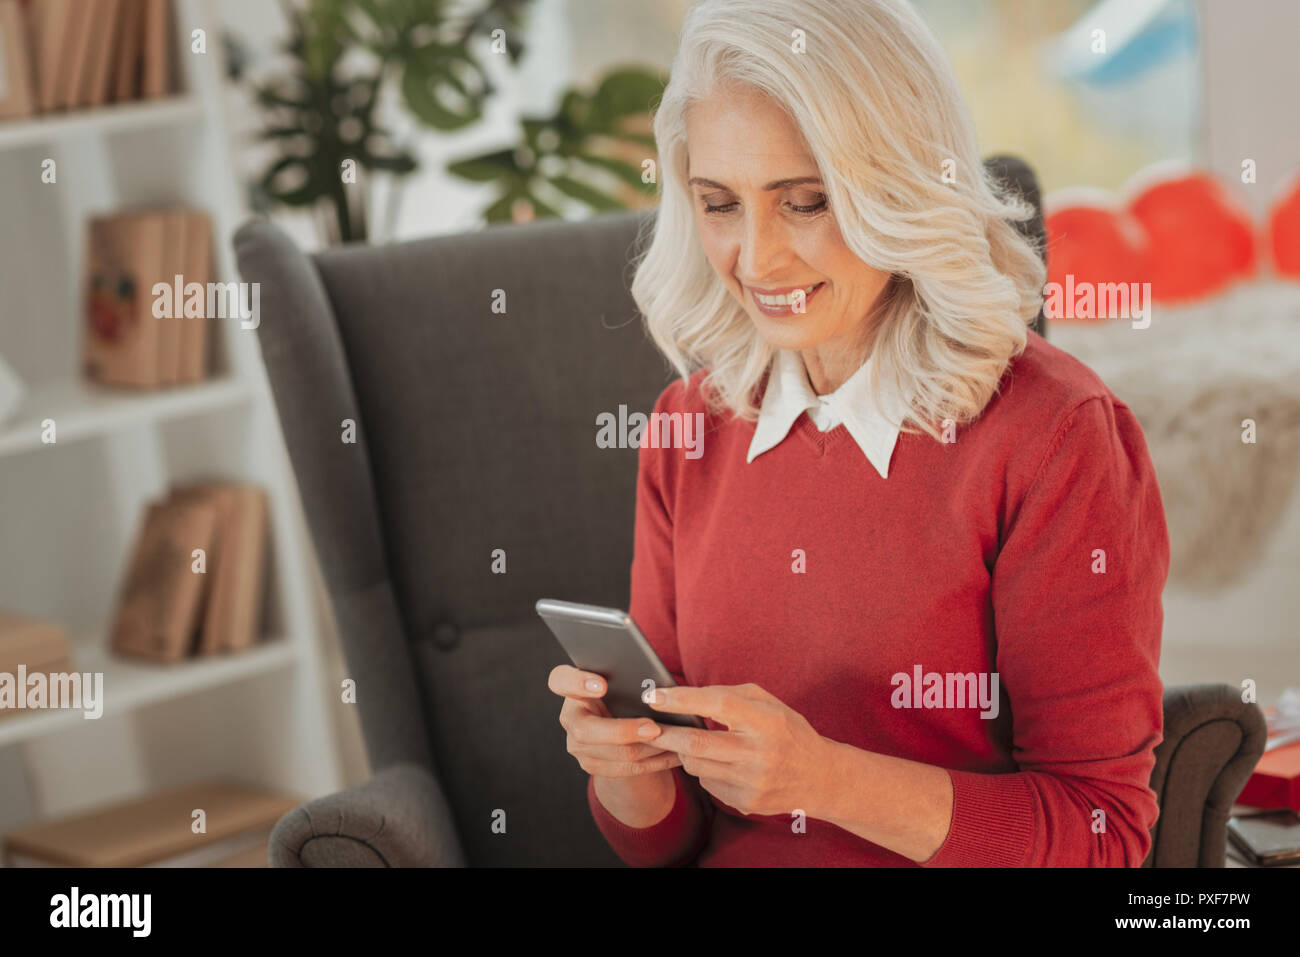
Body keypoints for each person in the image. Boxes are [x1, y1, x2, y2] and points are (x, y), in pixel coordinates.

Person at [548, 0, 1170, 867]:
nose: (757, 261)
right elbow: (672, 842)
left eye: (805, 203)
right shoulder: (688, 427)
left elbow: (1102, 833)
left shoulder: (1054, 435)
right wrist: (632, 775)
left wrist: (825, 780)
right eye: (720, 204)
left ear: (904, 188)